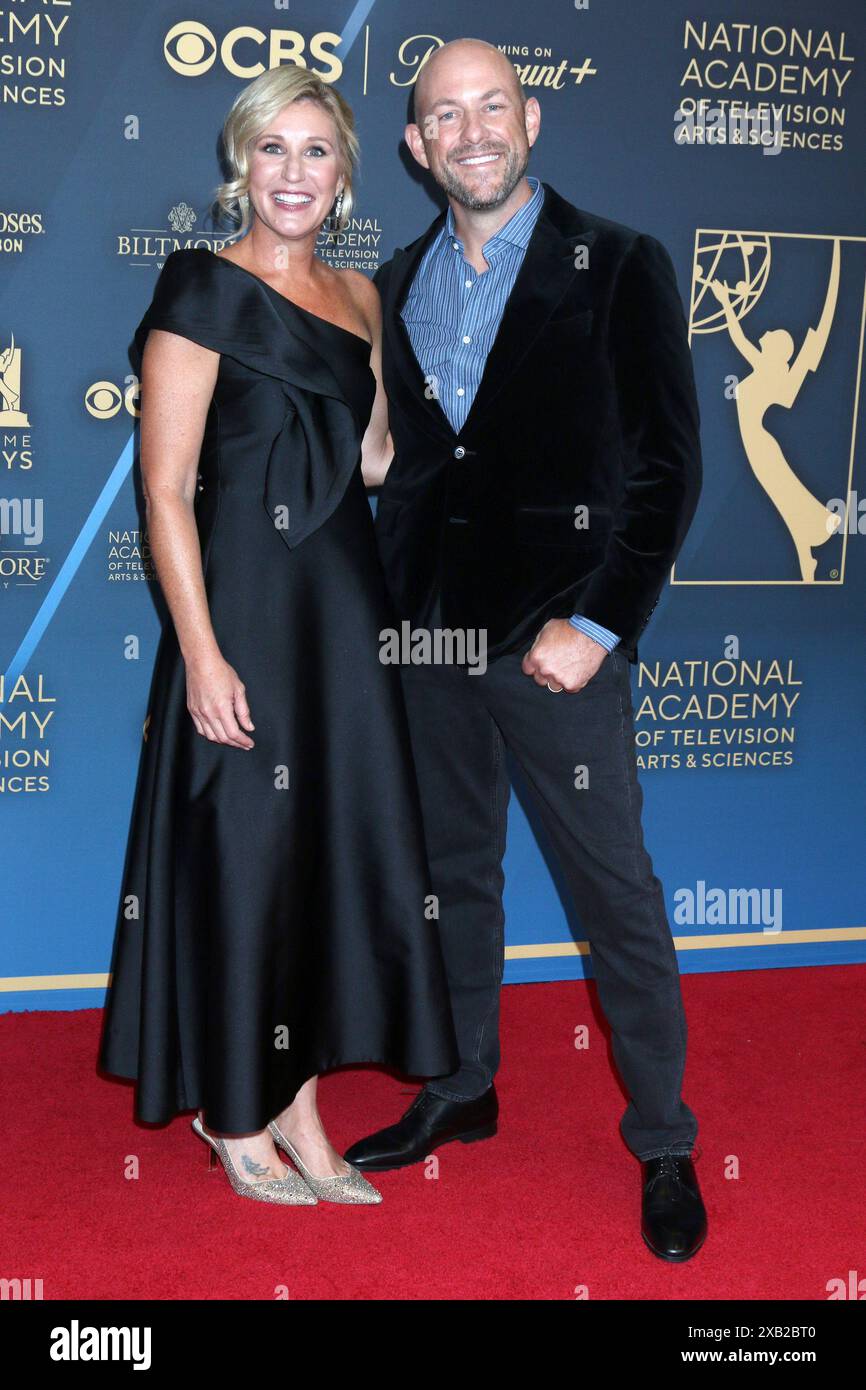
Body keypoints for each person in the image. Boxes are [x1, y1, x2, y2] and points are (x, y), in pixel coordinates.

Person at [344, 38, 708, 1261]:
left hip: (561, 648)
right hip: (432, 640)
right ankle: (464, 1084)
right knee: (450, 874)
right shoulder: (393, 283)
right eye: (443, 114)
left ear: (531, 117)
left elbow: (666, 468)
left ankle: (662, 1136)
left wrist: (598, 623)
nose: (471, 129)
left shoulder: (619, 264)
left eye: (491, 104)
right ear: (415, 145)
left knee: (613, 895)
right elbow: (407, 470)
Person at [99, 65, 459, 1206]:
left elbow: (374, 460)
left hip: (342, 621)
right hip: (246, 613)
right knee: (248, 853)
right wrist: (201, 653)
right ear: (238, 167)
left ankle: (297, 1097)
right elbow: (163, 492)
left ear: (347, 174)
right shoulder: (200, 289)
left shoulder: (362, 298)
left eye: (316, 152)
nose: (294, 173)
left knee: (322, 859)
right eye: (272, 149)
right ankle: (233, 1107)